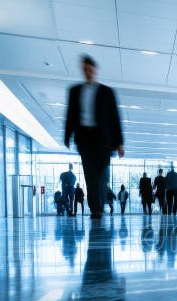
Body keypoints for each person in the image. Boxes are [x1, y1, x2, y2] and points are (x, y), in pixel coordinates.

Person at [63, 55, 124, 219]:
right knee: (90, 176)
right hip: (85, 138)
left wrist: (119, 143)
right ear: (83, 71)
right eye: (85, 70)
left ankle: (100, 203)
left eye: (90, 70)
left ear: (95, 71)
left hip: (103, 140)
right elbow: (70, 114)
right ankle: (96, 209)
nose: (88, 72)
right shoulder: (75, 91)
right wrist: (67, 135)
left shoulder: (107, 92)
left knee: (101, 176)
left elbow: (114, 118)